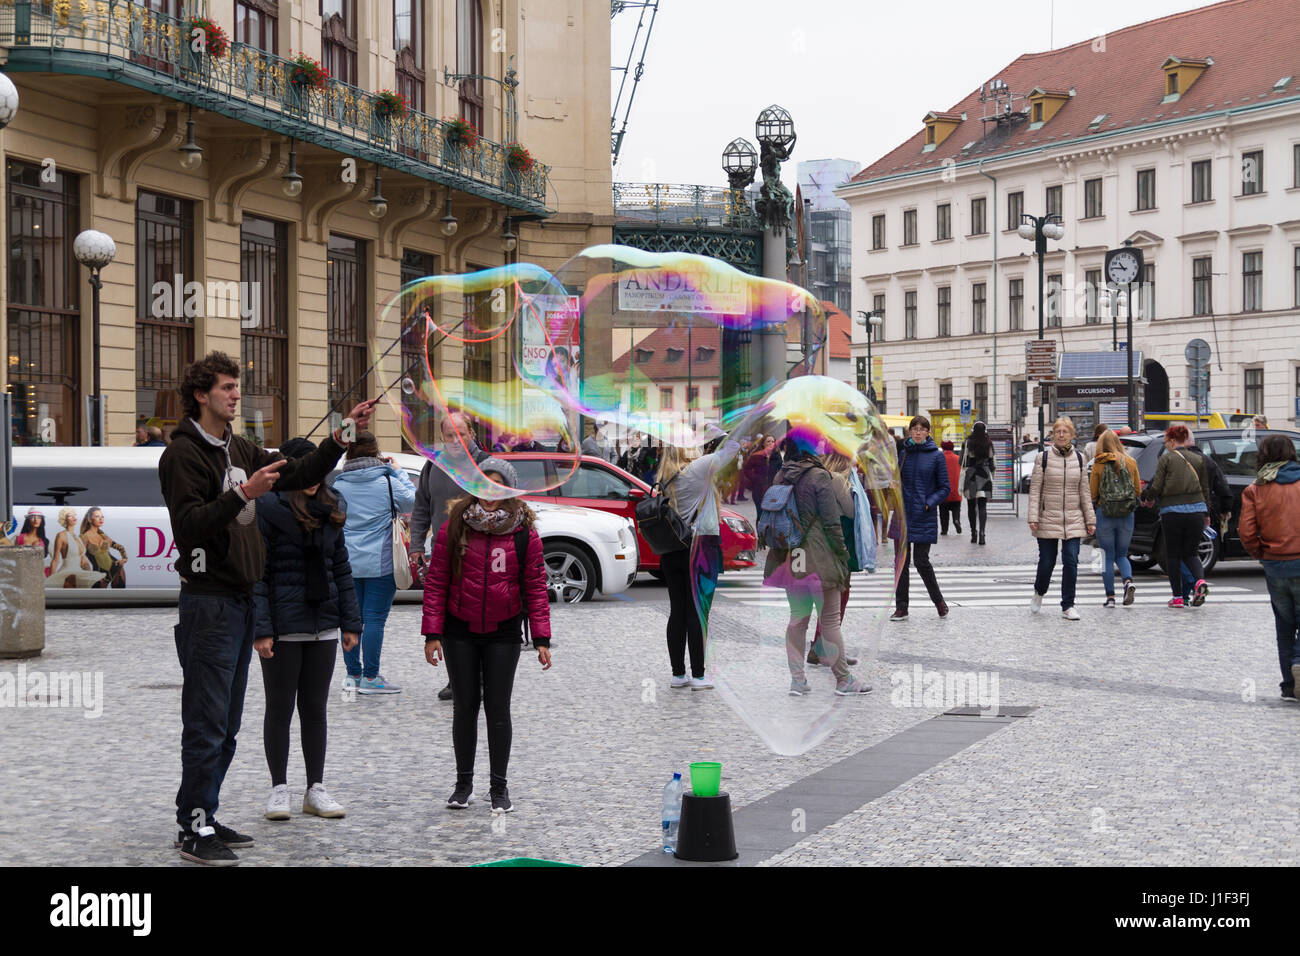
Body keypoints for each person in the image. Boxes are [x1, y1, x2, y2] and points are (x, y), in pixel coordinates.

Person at [159, 350, 374, 866]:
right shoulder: (183, 455)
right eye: (227, 388)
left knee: (228, 723)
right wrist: (244, 494)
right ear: (201, 394)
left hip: (237, 602)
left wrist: (342, 435)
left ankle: (203, 812)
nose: (236, 395)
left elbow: (298, 469)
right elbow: (189, 525)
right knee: (206, 723)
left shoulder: (237, 445)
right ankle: (193, 830)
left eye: (237, 387)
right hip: (208, 604)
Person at [421, 457, 552, 814]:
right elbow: (436, 582)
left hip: (504, 632)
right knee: (464, 707)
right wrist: (432, 632)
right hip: (458, 630)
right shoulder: (455, 527)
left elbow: (536, 587)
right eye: (484, 486)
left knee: (498, 708)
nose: (489, 495)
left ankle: (499, 788)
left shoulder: (523, 532)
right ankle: (463, 785)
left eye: (497, 487)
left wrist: (541, 638)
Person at [251, 437, 363, 823]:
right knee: (279, 709)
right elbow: (258, 576)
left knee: (315, 710)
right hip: (283, 627)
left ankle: (315, 787)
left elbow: (341, 568)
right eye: (306, 468)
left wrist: (351, 622)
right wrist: (261, 629)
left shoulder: (332, 507)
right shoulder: (268, 509)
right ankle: (278, 787)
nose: (314, 477)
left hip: (323, 625)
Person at [765, 436, 870, 696]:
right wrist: (842, 555)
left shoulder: (781, 475)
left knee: (797, 620)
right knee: (830, 620)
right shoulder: (820, 477)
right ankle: (843, 680)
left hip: (790, 553)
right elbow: (832, 522)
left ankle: (797, 681)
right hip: (819, 555)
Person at [410, 413, 491, 702]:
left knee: (477, 617)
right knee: (447, 617)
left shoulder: (486, 465)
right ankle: (457, 678)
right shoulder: (434, 465)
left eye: (461, 434)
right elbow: (421, 506)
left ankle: (481, 677)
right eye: (448, 436)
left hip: (479, 553)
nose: (455, 440)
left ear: (472, 433)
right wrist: (416, 544)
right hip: (442, 553)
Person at [333, 430, 417, 694]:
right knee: (374, 620)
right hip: (380, 560)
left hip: (347, 562)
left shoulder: (340, 485)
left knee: (351, 620)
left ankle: (352, 676)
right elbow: (411, 499)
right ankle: (370, 678)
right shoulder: (388, 482)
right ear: (376, 452)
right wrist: (396, 471)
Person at [656, 424, 735, 690]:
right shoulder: (698, 469)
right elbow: (731, 447)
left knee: (677, 610)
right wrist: (714, 430)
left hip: (671, 550)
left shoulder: (664, 478)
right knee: (698, 612)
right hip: (700, 546)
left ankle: (678, 674)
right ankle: (699, 675)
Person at [1237, 435, 1300, 700]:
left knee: (1284, 627)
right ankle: (1299, 662)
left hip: (1275, 565)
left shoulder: (1256, 488)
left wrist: (1261, 554)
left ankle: (1288, 684)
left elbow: (1247, 532)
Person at [1027, 417, 1096, 621]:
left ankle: (1068, 605)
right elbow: (1035, 490)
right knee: (1047, 562)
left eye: (1065, 432)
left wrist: (1090, 519)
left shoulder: (1080, 459)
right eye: (1058, 431)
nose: (1061, 435)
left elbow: (1084, 491)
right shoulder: (1043, 458)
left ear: (1072, 435)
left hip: (1073, 519)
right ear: (1053, 435)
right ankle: (1040, 591)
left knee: (1071, 561)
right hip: (1048, 516)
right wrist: (1033, 516)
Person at [1139, 424, 1211, 609]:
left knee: (1173, 555)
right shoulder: (1198, 459)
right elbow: (1205, 489)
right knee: (1191, 553)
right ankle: (1199, 581)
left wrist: (1147, 499)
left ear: (1172, 441)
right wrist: (1207, 513)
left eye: (1166, 442)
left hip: (1172, 512)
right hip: (1197, 511)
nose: (1166, 445)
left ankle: (1178, 597)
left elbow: (1157, 485)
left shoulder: (1167, 459)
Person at [808, 450, 864, 668]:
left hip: (822, 541)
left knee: (829, 596)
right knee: (839, 596)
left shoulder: (820, 475)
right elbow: (850, 511)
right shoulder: (839, 480)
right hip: (840, 542)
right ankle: (825, 649)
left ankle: (820, 646)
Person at [891, 416, 949, 621]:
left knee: (921, 561)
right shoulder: (903, 453)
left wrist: (929, 502)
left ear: (927, 432)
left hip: (923, 514)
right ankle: (901, 607)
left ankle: (939, 602)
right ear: (910, 432)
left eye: (921, 429)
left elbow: (944, 488)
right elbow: (897, 479)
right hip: (903, 514)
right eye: (914, 428)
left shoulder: (936, 456)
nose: (917, 432)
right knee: (901, 563)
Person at [1174, 432, 1233, 604]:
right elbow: (1222, 486)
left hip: (1176, 511)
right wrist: (1225, 508)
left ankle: (1189, 589)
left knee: (1177, 554)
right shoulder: (1208, 461)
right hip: (1201, 512)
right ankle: (1191, 590)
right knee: (1191, 553)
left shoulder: (1174, 459)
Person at [1089, 429, 1141, 608]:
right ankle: (1128, 582)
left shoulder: (1099, 464)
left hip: (1105, 513)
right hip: (1126, 514)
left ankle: (1110, 598)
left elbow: (1093, 492)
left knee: (1107, 556)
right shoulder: (1131, 461)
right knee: (1122, 554)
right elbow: (1137, 491)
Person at [47, 507, 103, 588]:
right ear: (64, 519)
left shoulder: (78, 538)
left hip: (79, 571)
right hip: (67, 571)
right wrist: (50, 581)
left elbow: (84, 562)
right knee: (72, 579)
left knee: (99, 579)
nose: (74, 517)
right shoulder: (61, 535)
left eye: (75, 515)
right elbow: (55, 560)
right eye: (70, 516)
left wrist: (90, 576)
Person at [959, 421, 995, 545]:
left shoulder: (968, 442)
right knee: (982, 506)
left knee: (971, 506)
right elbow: (992, 462)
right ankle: (982, 533)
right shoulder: (989, 443)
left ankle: (973, 533)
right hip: (984, 474)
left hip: (971, 475)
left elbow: (961, 461)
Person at [80, 507, 128, 589]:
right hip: (99, 573)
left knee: (120, 597)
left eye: (102, 517)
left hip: (116, 568)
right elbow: (80, 557)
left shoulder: (103, 536)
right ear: (89, 519)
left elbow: (120, 547)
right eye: (97, 516)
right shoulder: (84, 537)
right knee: (96, 599)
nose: (101, 519)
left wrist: (124, 559)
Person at [938, 440, 962, 536]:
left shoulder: (940, 458)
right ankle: (956, 520)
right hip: (956, 490)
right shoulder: (958, 458)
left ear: (942, 448)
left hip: (943, 490)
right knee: (956, 508)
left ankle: (944, 529)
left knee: (943, 512)